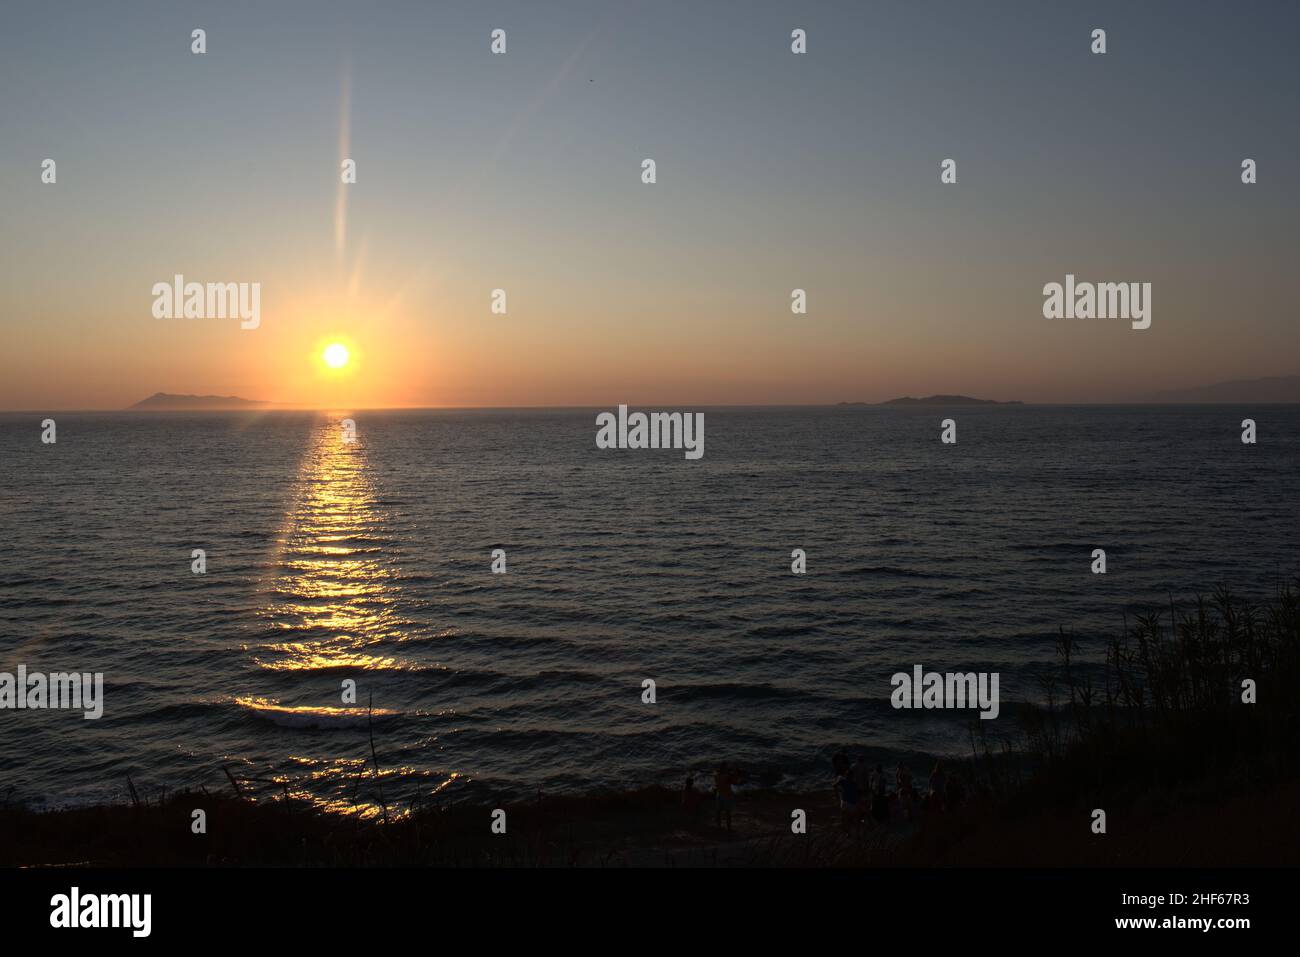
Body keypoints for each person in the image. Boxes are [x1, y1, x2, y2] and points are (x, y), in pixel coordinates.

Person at [714, 762, 743, 832]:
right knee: (727, 813)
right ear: (724, 768)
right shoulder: (727, 777)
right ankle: (728, 828)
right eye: (726, 767)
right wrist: (735, 773)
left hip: (718, 795)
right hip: (727, 796)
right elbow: (735, 782)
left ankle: (718, 826)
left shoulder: (716, 775)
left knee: (718, 812)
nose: (727, 769)